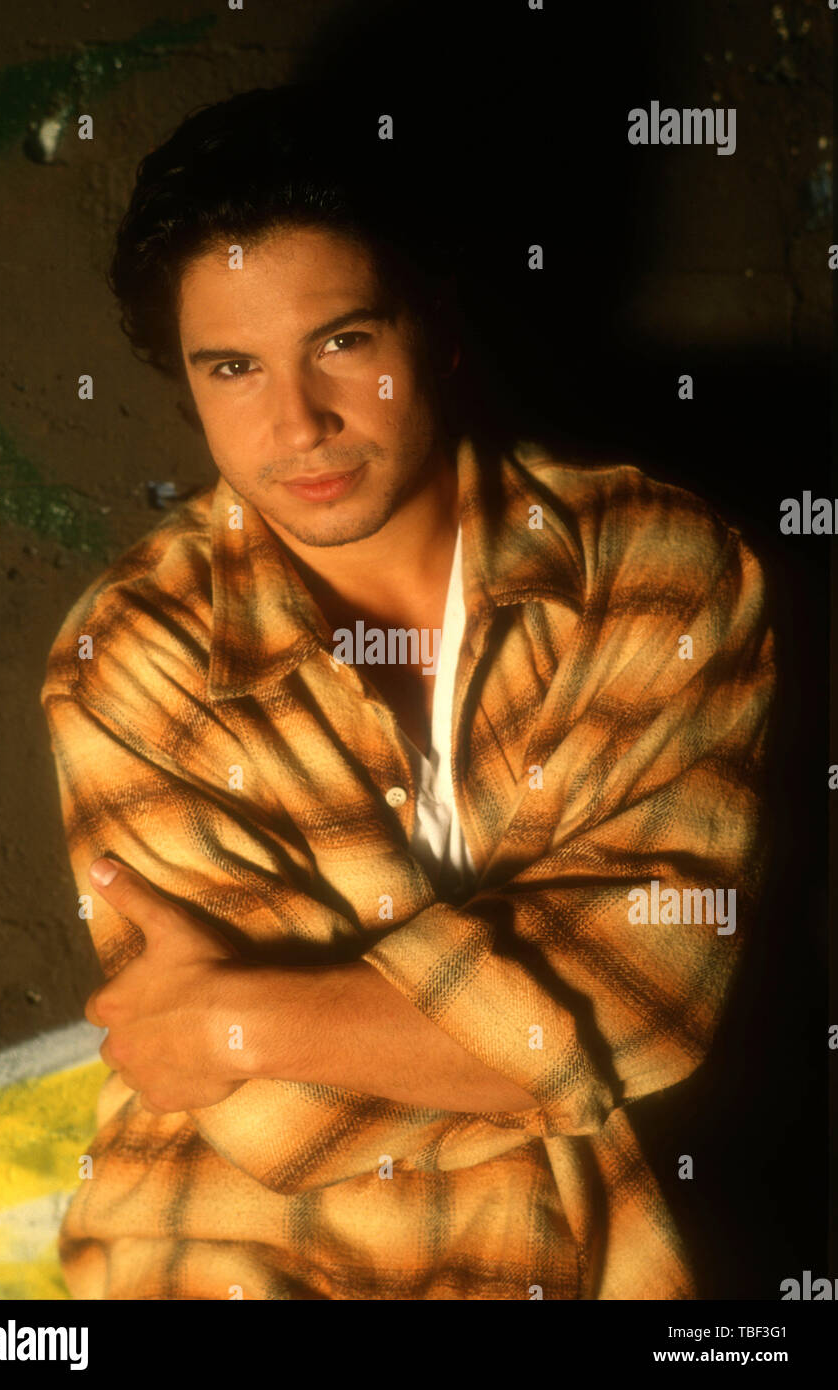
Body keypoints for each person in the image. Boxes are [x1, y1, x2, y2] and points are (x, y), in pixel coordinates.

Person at [40, 82, 775, 1300]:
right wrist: (536, 1042)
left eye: (342, 342)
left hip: (589, 1260)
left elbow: (659, 995)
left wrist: (240, 1023)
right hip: (220, 1252)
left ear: (433, 324)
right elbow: (276, 1126)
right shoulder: (135, 652)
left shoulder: (652, 569)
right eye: (232, 368)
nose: (298, 423)